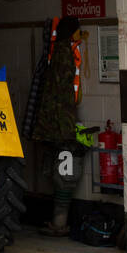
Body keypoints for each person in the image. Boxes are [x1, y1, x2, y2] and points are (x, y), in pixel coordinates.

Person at [27, 15, 93, 236]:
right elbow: (63, 91)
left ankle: (58, 222)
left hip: (53, 121)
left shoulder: (57, 51)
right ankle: (59, 223)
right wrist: (66, 124)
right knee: (64, 176)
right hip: (60, 122)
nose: (78, 33)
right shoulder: (65, 54)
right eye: (76, 30)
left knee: (58, 173)